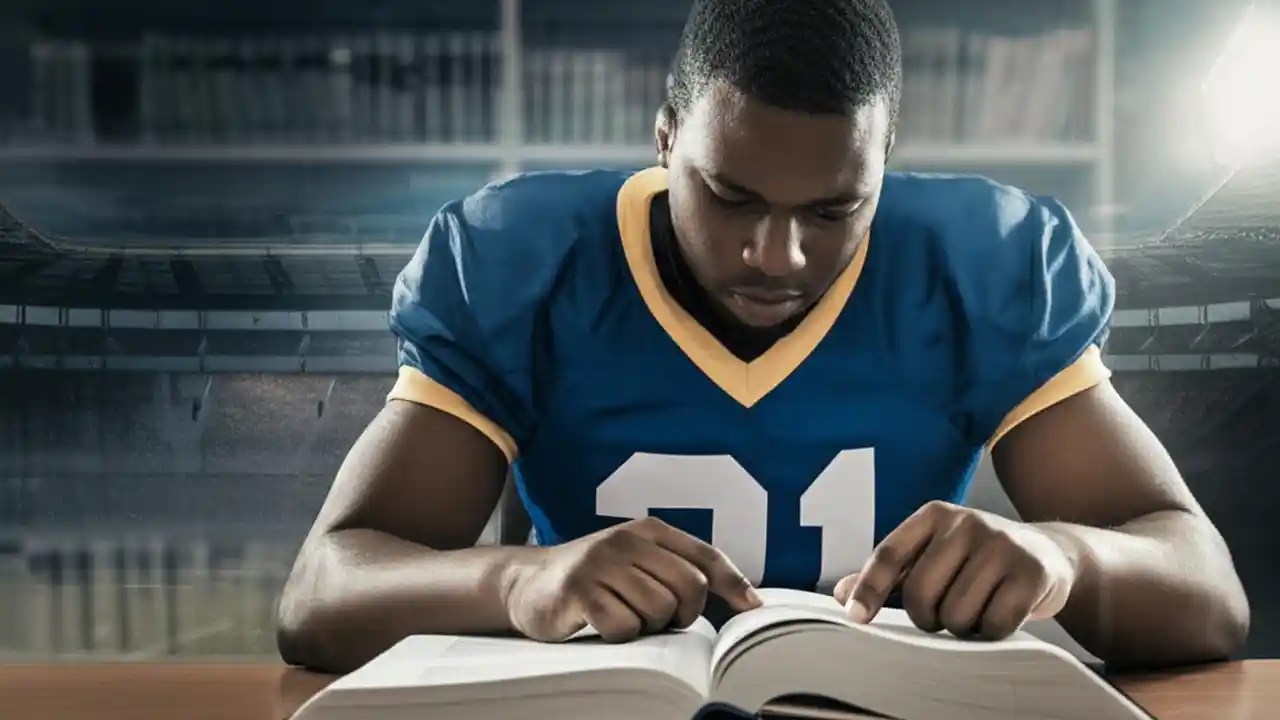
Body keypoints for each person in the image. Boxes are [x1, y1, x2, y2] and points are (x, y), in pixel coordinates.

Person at [276, 0, 1249, 674]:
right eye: (728, 194)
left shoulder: (977, 265)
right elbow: (320, 595)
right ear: (664, 142)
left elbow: (1204, 593)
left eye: (832, 209)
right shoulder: (527, 261)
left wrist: (1063, 561)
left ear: (883, 169)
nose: (774, 255)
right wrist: (519, 577)